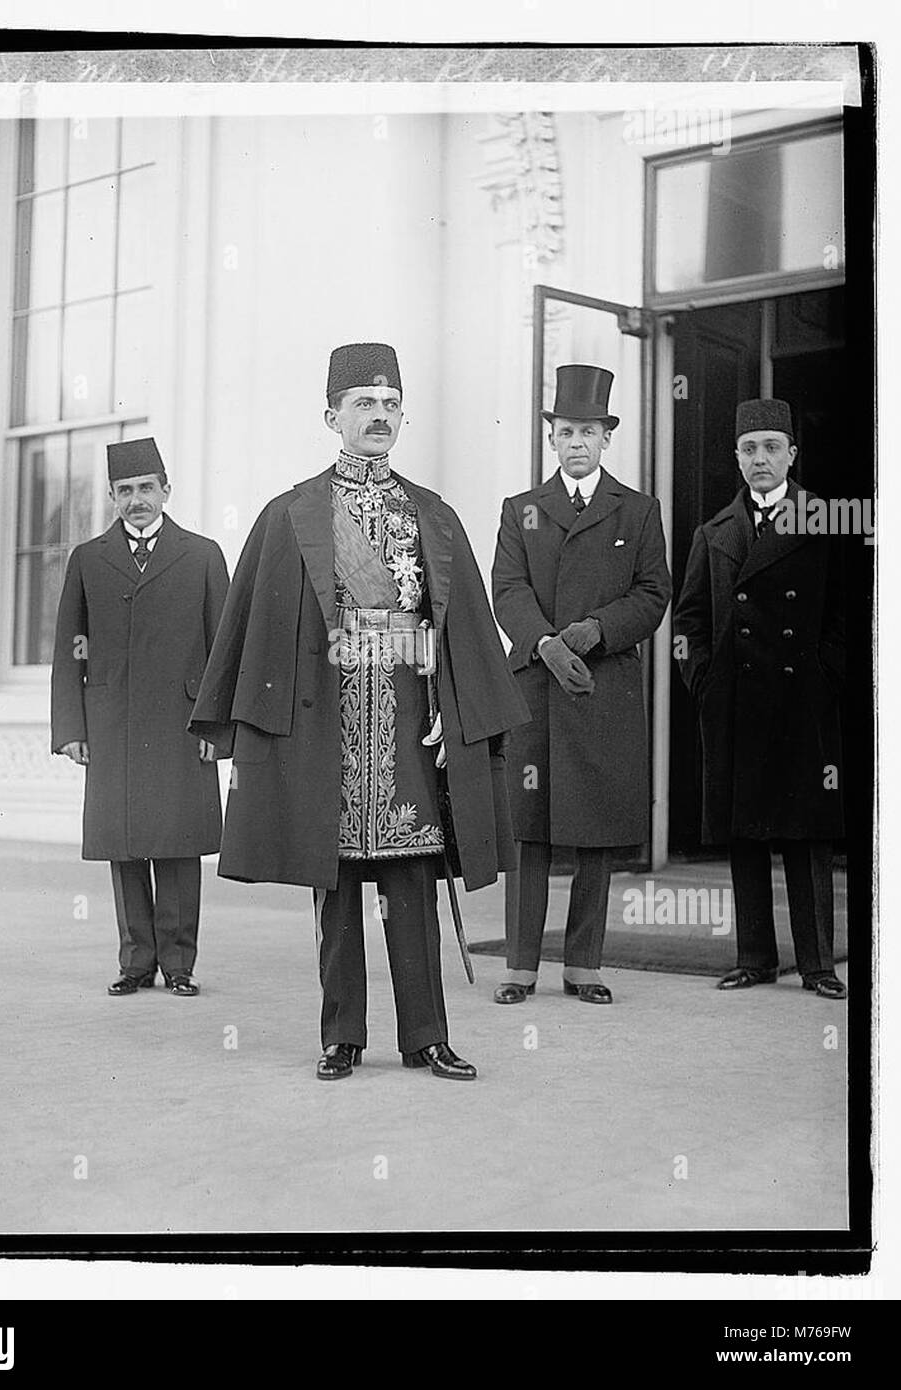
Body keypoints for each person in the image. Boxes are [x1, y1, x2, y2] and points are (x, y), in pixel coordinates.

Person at [190, 342, 528, 1080]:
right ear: (332, 416)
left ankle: (426, 1038)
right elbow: (256, 626)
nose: (379, 417)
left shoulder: (431, 515)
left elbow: (461, 626)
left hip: (410, 721)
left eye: (390, 405)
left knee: (412, 883)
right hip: (326, 725)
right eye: (363, 405)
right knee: (335, 887)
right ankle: (341, 1036)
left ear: (403, 416)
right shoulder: (292, 516)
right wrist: (238, 728)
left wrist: (454, 704)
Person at [491, 364, 671, 1006]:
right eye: (566, 431)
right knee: (529, 828)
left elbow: (654, 594)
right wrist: (544, 641)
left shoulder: (640, 511)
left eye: (588, 432)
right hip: (537, 688)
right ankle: (518, 965)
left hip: (603, 687)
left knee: (596, 826)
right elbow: (505, 591)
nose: (576, 443)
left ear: (605, 438)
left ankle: (584, 964)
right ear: (553, 438)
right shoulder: (522, 512)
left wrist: (595, 631)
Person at [673, 397, 847, 1000]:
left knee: (805, 834)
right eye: (749, 449)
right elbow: (687, 619)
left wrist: (828, 673)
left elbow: (850, 612)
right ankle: (755, 958)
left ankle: (819, 963)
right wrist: (702, 677)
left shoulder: (826, 520)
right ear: (737, 458)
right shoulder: (714, 531)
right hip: (737, 701)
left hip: (804, 699)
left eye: (772, 447)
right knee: (745, 830)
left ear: (792, 454)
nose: (760, 460)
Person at [51, 437, 230, 997]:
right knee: (124, 843)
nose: (136, 500)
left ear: (165, 491)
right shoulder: (88, 559)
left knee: (177, 842)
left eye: (146, 489)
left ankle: (179, 963)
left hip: (182, 723)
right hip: (112, 724)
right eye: (125, 491)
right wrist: (72, 729)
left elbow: (224, 651)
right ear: (111, 496)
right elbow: (69, 646)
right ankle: (135, 961)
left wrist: (218, 729)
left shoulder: (202, 555)